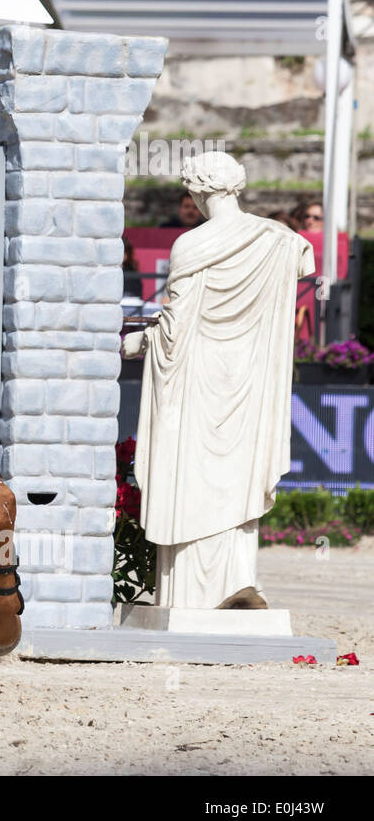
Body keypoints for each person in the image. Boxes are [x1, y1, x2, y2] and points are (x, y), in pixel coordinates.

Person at [122, 152, 314, 609]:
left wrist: (136, 344)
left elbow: (175, 326)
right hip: (249, 382)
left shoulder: (192, 245)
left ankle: (193, 596)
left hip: (198, 381)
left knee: (192, 477)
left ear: (200, 191)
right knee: (235, 479)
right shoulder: (280, 239)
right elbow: (304, 265)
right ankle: (235, 583)